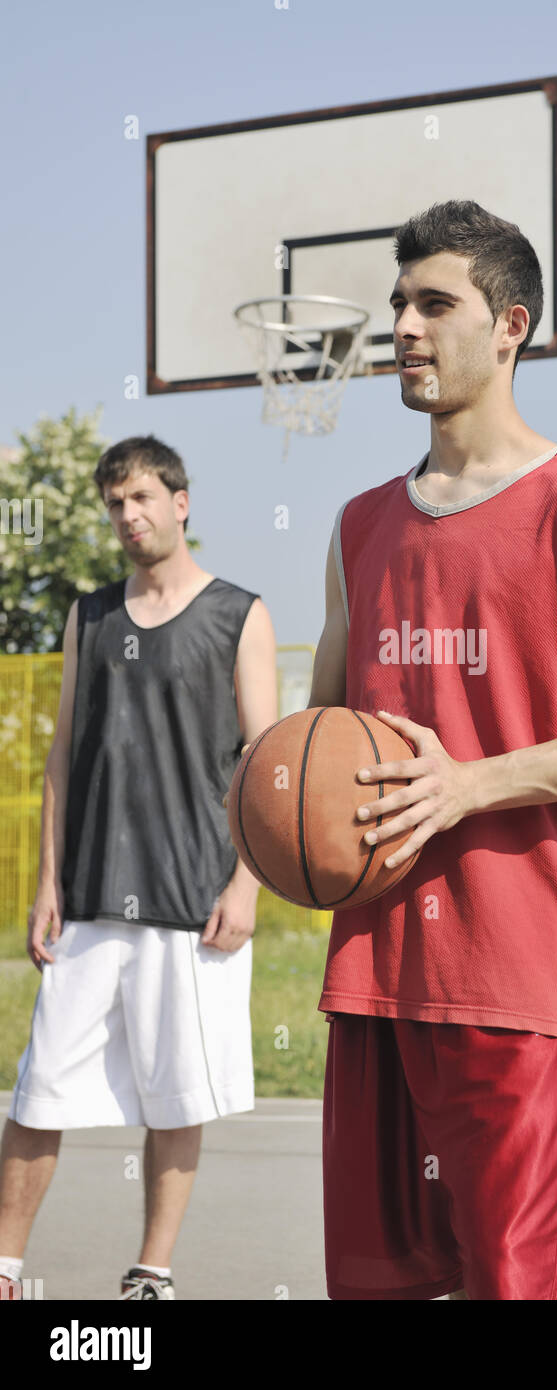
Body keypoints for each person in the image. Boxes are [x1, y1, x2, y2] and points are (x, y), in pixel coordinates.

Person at [308, 200, 557, 1301]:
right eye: (398, 303)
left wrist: (469, 783)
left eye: (435, 303)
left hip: (520, 984)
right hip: (375, 977)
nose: (404, 326)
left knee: (523, 1289)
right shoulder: (357, 526)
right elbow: (324, 744)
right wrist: (283, 813)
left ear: (509, 327)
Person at [0, 436, 277, 1301]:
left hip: (193, 899)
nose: (129, 516)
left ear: (182, 502)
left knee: (173, 1098)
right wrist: (48, 883)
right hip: (87, 899)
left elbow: (264, 766)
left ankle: (150, 1271)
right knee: (38, 1092)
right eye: (116, 503)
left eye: (144, 498)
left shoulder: (240, 613)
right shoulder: (90, 616)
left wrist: (246, 885)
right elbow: (61, 759)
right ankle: (4, 1265)